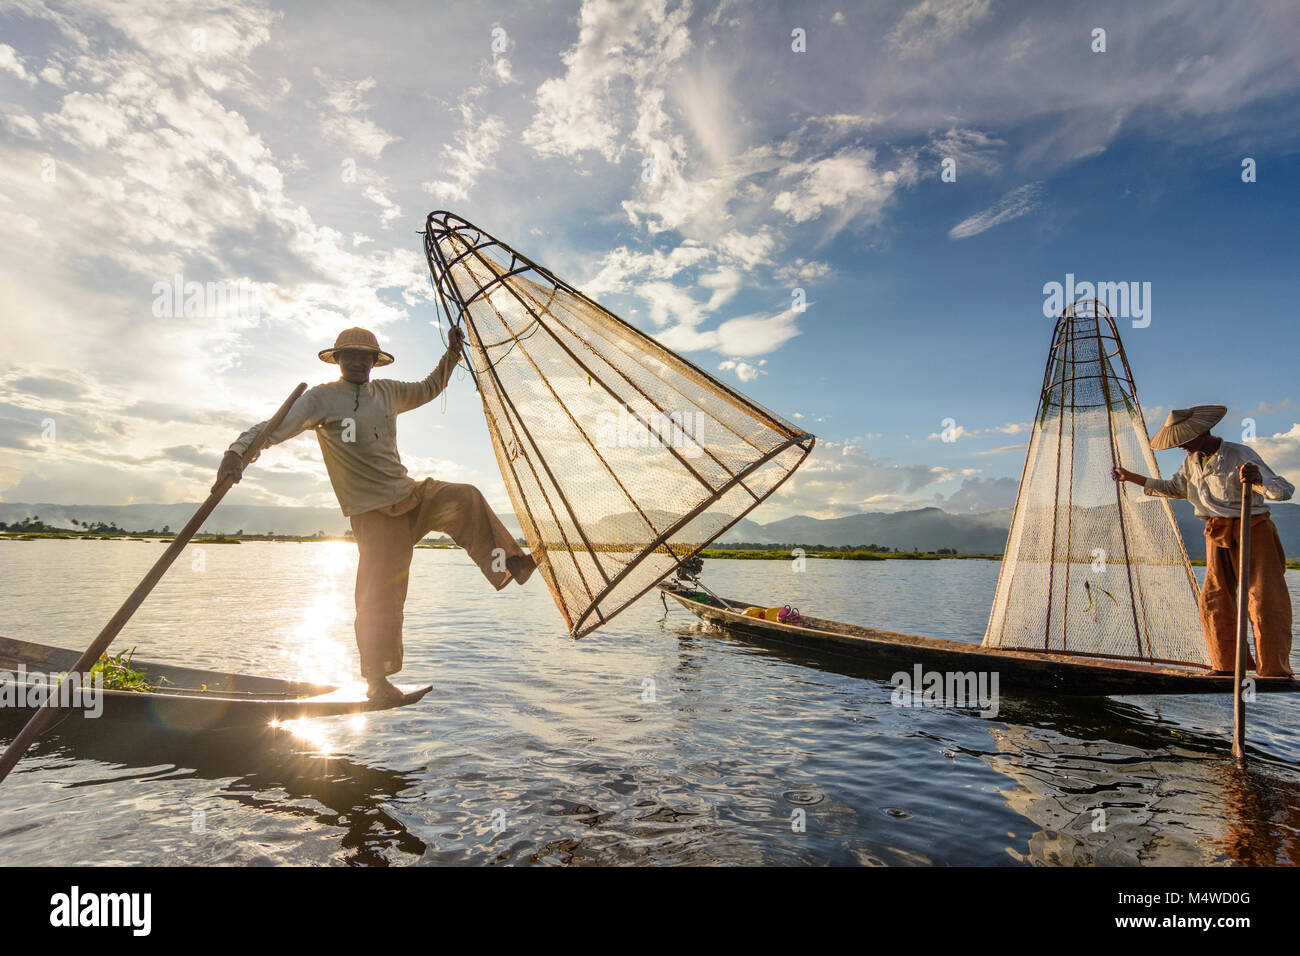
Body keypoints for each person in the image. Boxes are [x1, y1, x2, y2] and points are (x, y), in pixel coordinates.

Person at [216, 326, 535, 701]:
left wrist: (452, 354)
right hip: (373, 514)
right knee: (382, 595)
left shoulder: (388, 392)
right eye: (347, 355)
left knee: (465, 497)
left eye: (363, 356)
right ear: (336, 360)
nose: (355, 361)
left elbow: (430, 387)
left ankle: (510, 561)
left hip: (411, 496)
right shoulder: (321, 399)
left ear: (373, 361)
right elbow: (273, 428)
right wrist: (237, 452)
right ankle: (376, 681)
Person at [1112, 405, 1294, 676]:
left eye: (1184, 440)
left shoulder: (1238, 454)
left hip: (1253, 530)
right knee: (1213, 600)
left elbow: (1282, 490)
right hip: (1216, 532)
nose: (1181, 447)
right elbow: (1175, 489)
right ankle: (1228, 665)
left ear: (1202, 432)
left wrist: (1256, 479)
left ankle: (1274, 670)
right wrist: (1131, 477)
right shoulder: (1192, 462)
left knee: (1263, 599)